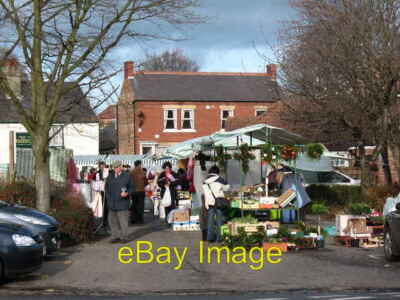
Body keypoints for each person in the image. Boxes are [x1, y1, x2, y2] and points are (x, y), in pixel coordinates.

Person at [105, 160, 134, 243]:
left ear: (121, 167)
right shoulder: (110, 176)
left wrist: (127, 193)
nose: (116, 169)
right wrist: (108, 198)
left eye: (117, 167)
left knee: (123, 221)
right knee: (112, 221)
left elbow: (132, 188)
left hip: (123, 202)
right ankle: (115, 236)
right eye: (114, 167)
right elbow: (106, 188)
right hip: (112, 202)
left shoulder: (127, 176)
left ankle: (124, 237)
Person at [202, 165, 230, 243]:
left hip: (210, 203)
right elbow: (227, 187)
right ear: (217, 172)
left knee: (210, 221)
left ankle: (209, 238)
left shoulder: (205, 181)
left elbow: (205, 192)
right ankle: (219, 238)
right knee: (219, 221)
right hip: (219, 203)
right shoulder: (220, 179)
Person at [130, 160, 148, 224]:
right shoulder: (143, 172)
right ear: (139, 165)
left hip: (133, 191)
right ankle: (140, 220)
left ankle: (133, 219)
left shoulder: (131, 172)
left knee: (134, 205)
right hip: (141, 191)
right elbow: (146, 182)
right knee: (140, 205)